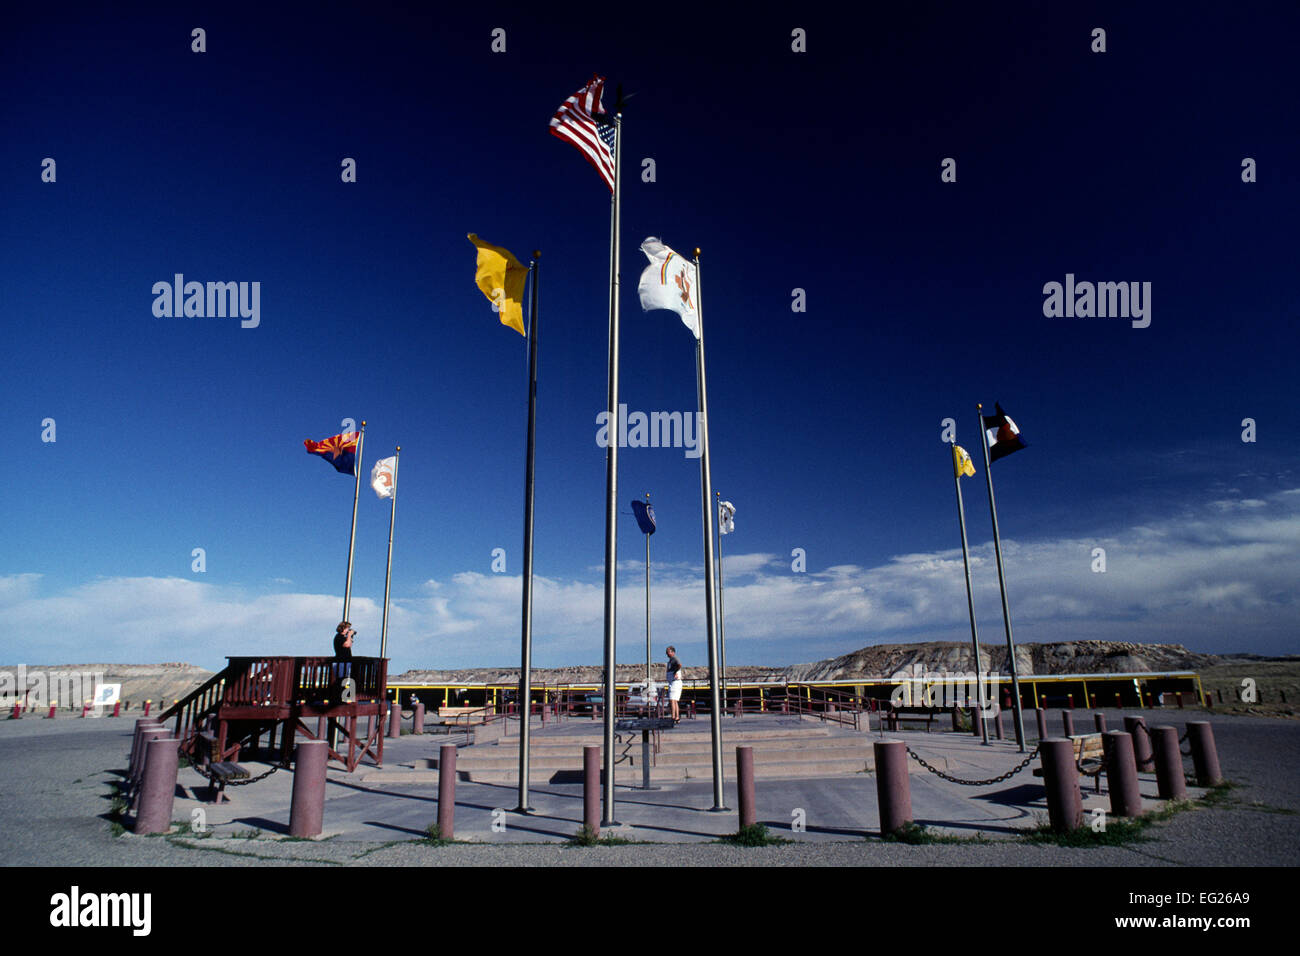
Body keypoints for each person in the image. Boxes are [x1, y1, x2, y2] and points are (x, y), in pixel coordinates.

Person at [665, 646, 683, 723]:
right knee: (674, 701)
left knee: (672, 700)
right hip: (672, 682)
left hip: (675, 682)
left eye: (668, 652)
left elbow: (679, 665)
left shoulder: (675, 659)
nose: (667, 654)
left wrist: (675, 672)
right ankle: (676, 716)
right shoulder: (670, 661)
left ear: (672, 652)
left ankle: (673, 716)